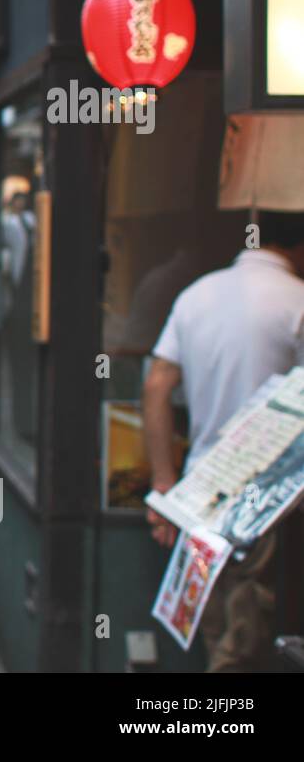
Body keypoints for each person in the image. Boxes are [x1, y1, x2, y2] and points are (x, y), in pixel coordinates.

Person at [143, 210, 304, 671]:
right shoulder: (296, 301)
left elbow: (156, 386)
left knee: (216, 632)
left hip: (200, 489)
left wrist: (164, 483)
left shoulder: (196, 295)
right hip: (267, 501)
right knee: (246, 641)